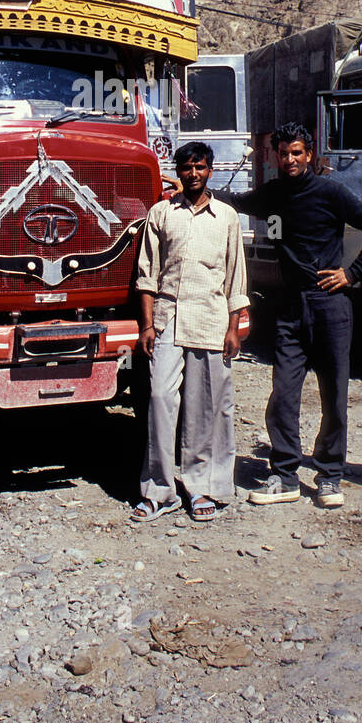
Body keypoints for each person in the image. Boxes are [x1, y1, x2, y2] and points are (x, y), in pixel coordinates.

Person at [211, 122, 362, 509]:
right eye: (283, 153)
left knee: (334, 393)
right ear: (276, 156)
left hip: (330, 305)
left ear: (308, 154)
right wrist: (199, 189)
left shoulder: (331, 192)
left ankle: (329, 476)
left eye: (297, 152)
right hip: (290, 308)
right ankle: (285, 474)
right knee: (284, 393)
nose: (290, 159)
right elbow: (238, 201)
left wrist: (352, 273)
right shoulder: (275, 193)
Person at [131, 141, 249, 523]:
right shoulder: (161, 213)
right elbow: (147, 275)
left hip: (211, 322)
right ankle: (159, 491)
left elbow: (235, 280)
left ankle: (201, 488)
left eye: (199, 167)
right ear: (178, 171)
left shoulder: (227, 217)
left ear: (210, 171)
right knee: (161, 401)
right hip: (167, 319)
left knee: (205, 408)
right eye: (186, 167)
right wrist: (147, 325)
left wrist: (233, 328)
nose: (193, 174)